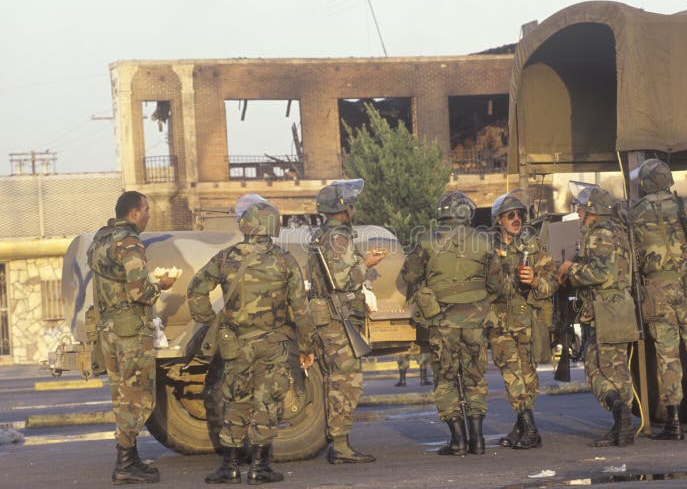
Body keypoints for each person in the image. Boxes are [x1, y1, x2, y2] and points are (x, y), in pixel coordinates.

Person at [187, 195, 315, 484]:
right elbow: (301, 309)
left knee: (235, 401)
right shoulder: (285, 261)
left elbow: (196, 290)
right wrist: (306, 347)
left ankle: (230, 467)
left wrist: (212, 323)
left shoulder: (226, 257)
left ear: (247, 225)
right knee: (268, 403)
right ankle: (260, 467)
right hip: (274, 345)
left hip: (236, 344)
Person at [401, 191, 503, 456]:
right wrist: (479, 302)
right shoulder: (485, 241)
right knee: (475, 378)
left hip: (442, 320)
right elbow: (496, 285)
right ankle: (478, 440)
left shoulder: (426, 241)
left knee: (445, 378)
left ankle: (458, 441)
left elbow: (410, 274)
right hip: (475, 320)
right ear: (466, 212)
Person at [87, 191, 176, 484]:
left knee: (121, 395)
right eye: (147, 209)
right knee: (137, 397)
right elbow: (139, 292)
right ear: (135, 213)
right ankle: (125, 463)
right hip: (130, 331)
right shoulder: (130, 243)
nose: (149, 214)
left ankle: (130, 458)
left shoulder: (100, 239)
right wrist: (161, 285)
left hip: (108, 328)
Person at [629, 159, 687, 440]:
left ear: (645, 182)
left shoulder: (635, 212)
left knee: (667, 356)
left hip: (657, 290)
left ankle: (674, 422)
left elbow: (632, 255)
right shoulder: (685, 207)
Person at [307, 179, 388, 464]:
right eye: (349, 203)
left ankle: (339, 443)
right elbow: (343, 280)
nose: (353, 207)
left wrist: (363, 260)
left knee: (337, 380)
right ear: (342, 208)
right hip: (335, 318)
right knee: (346, 381)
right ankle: (340, 447)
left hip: (329, 317)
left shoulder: (324, 235)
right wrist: (366, 265)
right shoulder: (338, 237)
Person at [557, 186, 638, 447]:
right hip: (617, 307)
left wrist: (571, 270)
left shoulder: (599, 234)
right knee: (614, 369)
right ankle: (621, 424)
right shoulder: (616, 231)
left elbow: (599, 274)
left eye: (582, 207)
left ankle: (620, 418)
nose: (578, 211)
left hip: (606, 310)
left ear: (593, 209)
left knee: (599, 370)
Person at [487, 191, 556, 449]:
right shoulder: (488, 248)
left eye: (520, 214)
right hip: (500, 322)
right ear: (499, 220)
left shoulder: (533, 246)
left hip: (527, 322)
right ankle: (530, 429)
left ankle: (522, 426)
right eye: (510, 215)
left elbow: (552, 281)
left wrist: (536, 281)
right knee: (511, 376)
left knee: (528, 378)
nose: (517, 219)